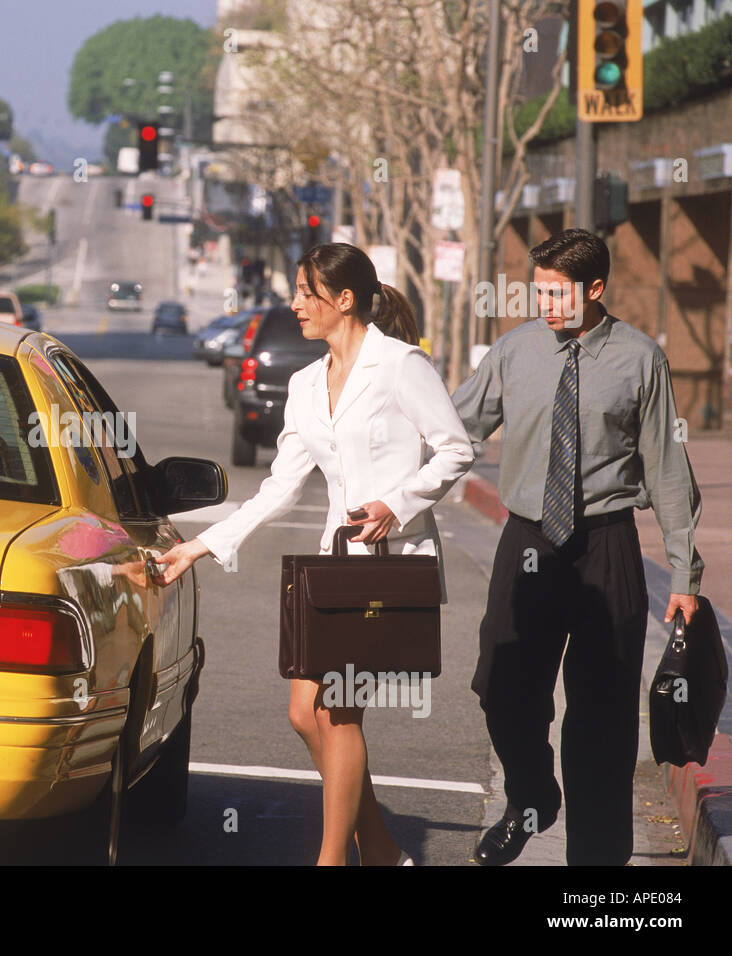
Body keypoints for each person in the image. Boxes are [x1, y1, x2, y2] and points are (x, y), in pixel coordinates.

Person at [155, 242, 475, 865]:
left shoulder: (402, 366)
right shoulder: (304, 384)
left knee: (337, 707)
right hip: (330, 569)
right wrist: (198, 545)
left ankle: (333, 861)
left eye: (307, 292)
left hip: (389, 566)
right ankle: (379, 845)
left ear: (344, 299)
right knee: (307, 713)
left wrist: (396, 504)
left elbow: (454, 449)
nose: (295, 304)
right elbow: (279, 485)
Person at [452, 228, 701, 866]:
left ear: (594, 289)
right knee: (502, 684)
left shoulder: (641, 359)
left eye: (556, 292)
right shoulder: (514, 352)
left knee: (603, 713)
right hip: (529, 538)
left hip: (607, 543)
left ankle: (596, 874)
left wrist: (684, 577)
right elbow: (453, 430)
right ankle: (531, 794)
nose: (543, 303)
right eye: (537, 290)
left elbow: (668, 468)